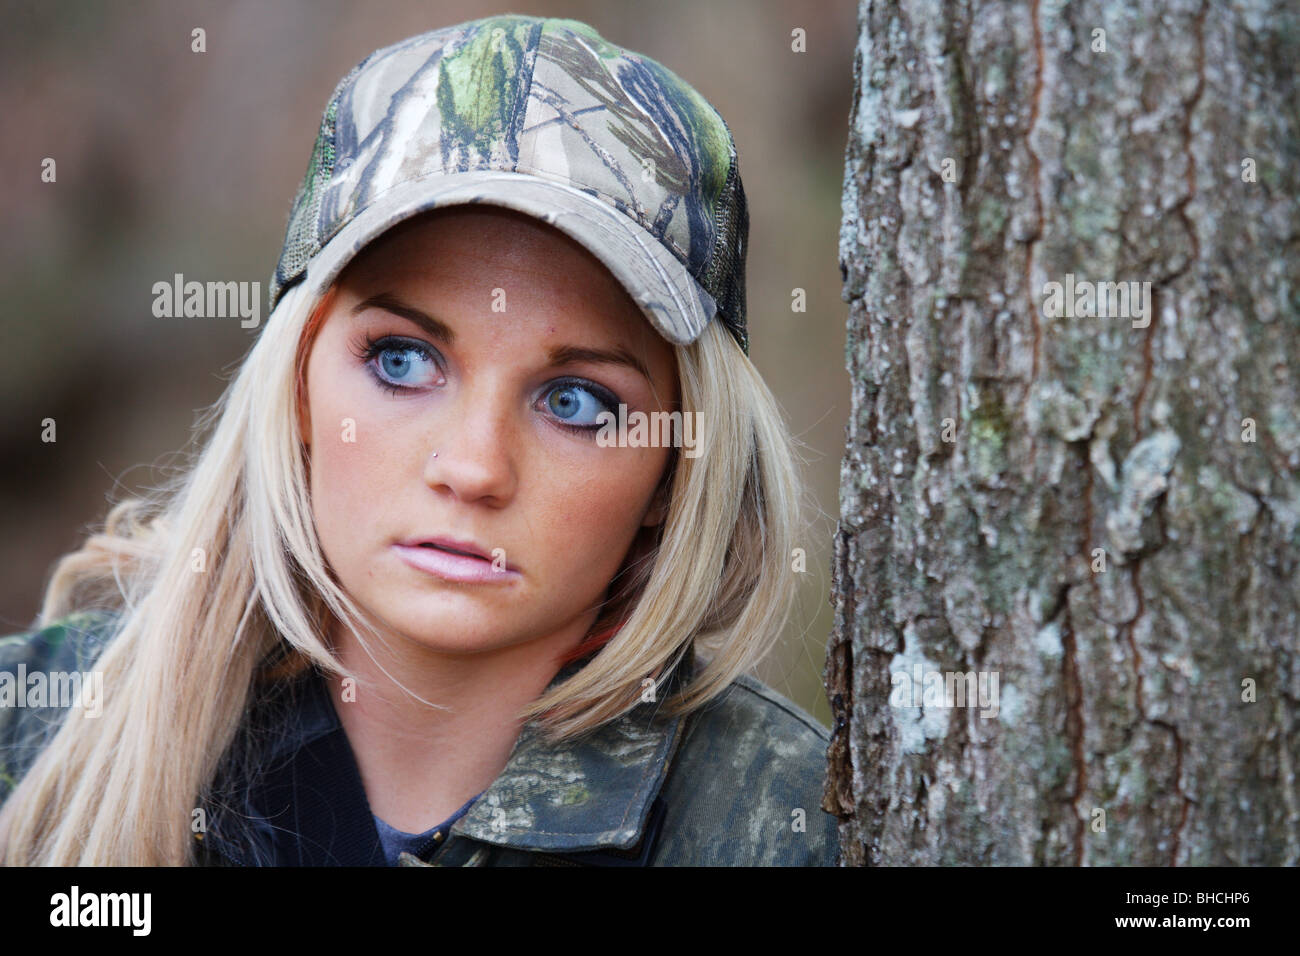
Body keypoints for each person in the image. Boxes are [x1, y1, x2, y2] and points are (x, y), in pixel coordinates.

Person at [0, 14, 839, 866]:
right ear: (296, 387)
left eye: (578, 402)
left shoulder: (789, 823)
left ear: (675, 468)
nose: (473, 469)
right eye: (402, 361)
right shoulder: (29, 730)